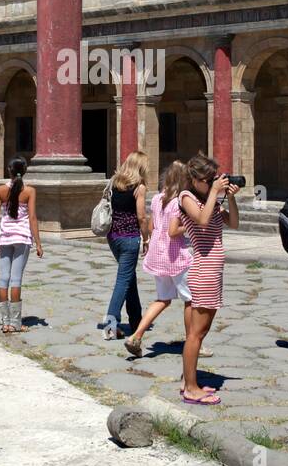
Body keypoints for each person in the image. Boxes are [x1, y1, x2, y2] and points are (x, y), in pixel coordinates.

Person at [176, 153, 239, 405]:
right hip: (203, 271)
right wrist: (214, 192)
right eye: (207, 179)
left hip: (213, 272)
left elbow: (233, 223)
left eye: (214, 178)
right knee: (196, 335)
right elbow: (201, 223)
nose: (212, 182)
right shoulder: (187, 197)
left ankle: (188, 382)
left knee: (199, 333)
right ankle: (191, 388)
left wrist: (230, 198)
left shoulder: (208, 200)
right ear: (194, 179)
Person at [124, 160, 191, 358]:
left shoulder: (157, 199)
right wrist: (192, 224)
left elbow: (152, 226)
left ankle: (136, 335)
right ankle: (193, 343)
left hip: (158, 254)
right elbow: (173, 231)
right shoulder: (179, 202)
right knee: (191, 300)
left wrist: (147, 239)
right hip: (176, 256)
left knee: (163, 299)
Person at [0, 157, 43, 334]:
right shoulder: (29, 191)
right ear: (24, 171)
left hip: (5, 237)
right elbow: (32, 218)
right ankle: (16, 323)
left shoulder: (1, 190)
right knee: (16, 279)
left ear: (8, 170)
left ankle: (5, 322)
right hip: (23, 237)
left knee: (4, 278)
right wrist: (39, 243)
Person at [99, 151, 149, 340]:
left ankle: (136, 320)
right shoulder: (139, 187)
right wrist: (146, 239)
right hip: (130, 238)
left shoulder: (114, 181)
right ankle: (111, 325)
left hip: (113, 237)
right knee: (123, 279)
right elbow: (141, 216)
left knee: (129, 277)